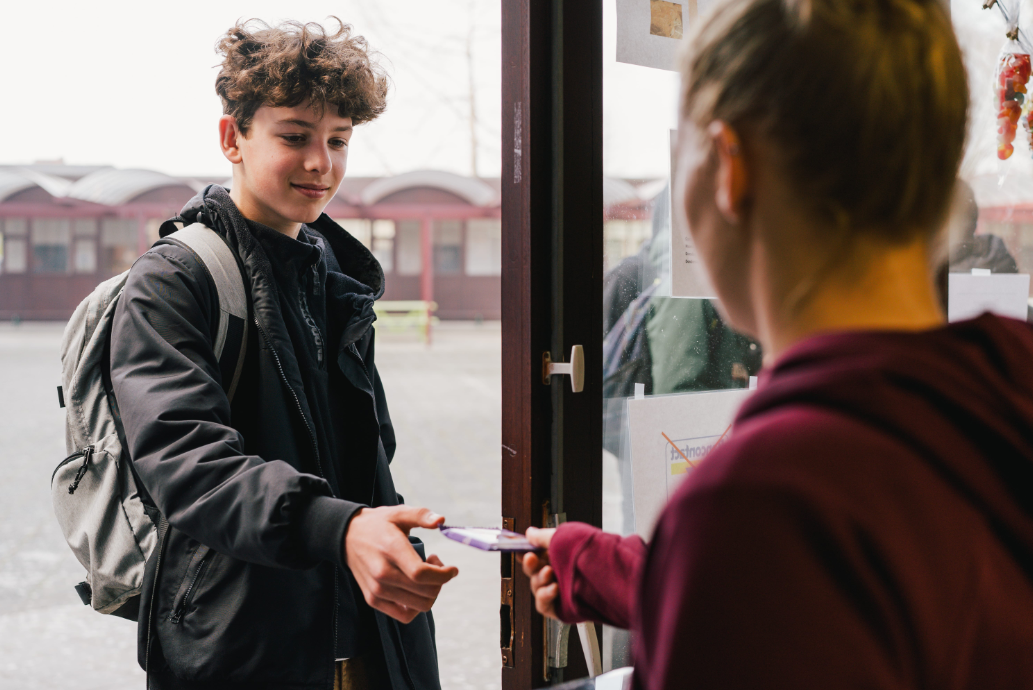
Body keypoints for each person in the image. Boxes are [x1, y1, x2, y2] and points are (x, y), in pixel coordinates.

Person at [521, 0, 1033, 687]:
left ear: (730, 169)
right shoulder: (993, 397)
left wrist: (697, 558)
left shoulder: (759, 504)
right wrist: (609, 568)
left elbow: (776, 569)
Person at [110, 19, 457, 690]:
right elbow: (186, 462)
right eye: (294, 136)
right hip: (241, 644)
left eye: (338, 140)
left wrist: (383, 539)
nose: (319, 163)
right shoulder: (174, 280)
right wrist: (338, 527)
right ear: (231, 137)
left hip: (372, 634)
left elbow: (365, 455)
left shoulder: (336, 274)